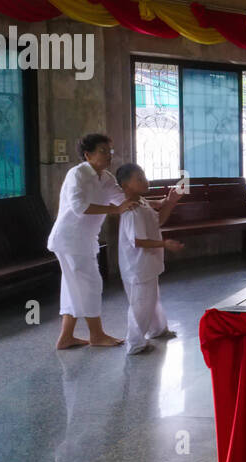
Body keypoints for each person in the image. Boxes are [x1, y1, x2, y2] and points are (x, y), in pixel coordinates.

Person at [47, 134, 138, 350]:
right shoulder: (77, 174)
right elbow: (80, 207)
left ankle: (66, 337)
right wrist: (114, 210)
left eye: (110, 151)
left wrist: (156, 202)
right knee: (91, 285)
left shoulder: (105, 177)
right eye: (103, 151)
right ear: (87, 155)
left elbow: (122, 200)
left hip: (84, 241)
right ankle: (96, 335)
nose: (109, 156)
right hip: (70, 240)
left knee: (73, 289)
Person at [115, 163, 183, 355]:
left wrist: (171, 201)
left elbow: (158, 220)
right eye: (139, 178)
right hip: (136, 266)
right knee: (140, 304)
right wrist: (165, 245)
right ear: (126, 185)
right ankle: (135, 343)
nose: (145, 180)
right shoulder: (132, 210)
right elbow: (138, 241)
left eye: (144, 176)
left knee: (151, 299)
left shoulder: (142, 202)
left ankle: (158, 329)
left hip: (146, 264)